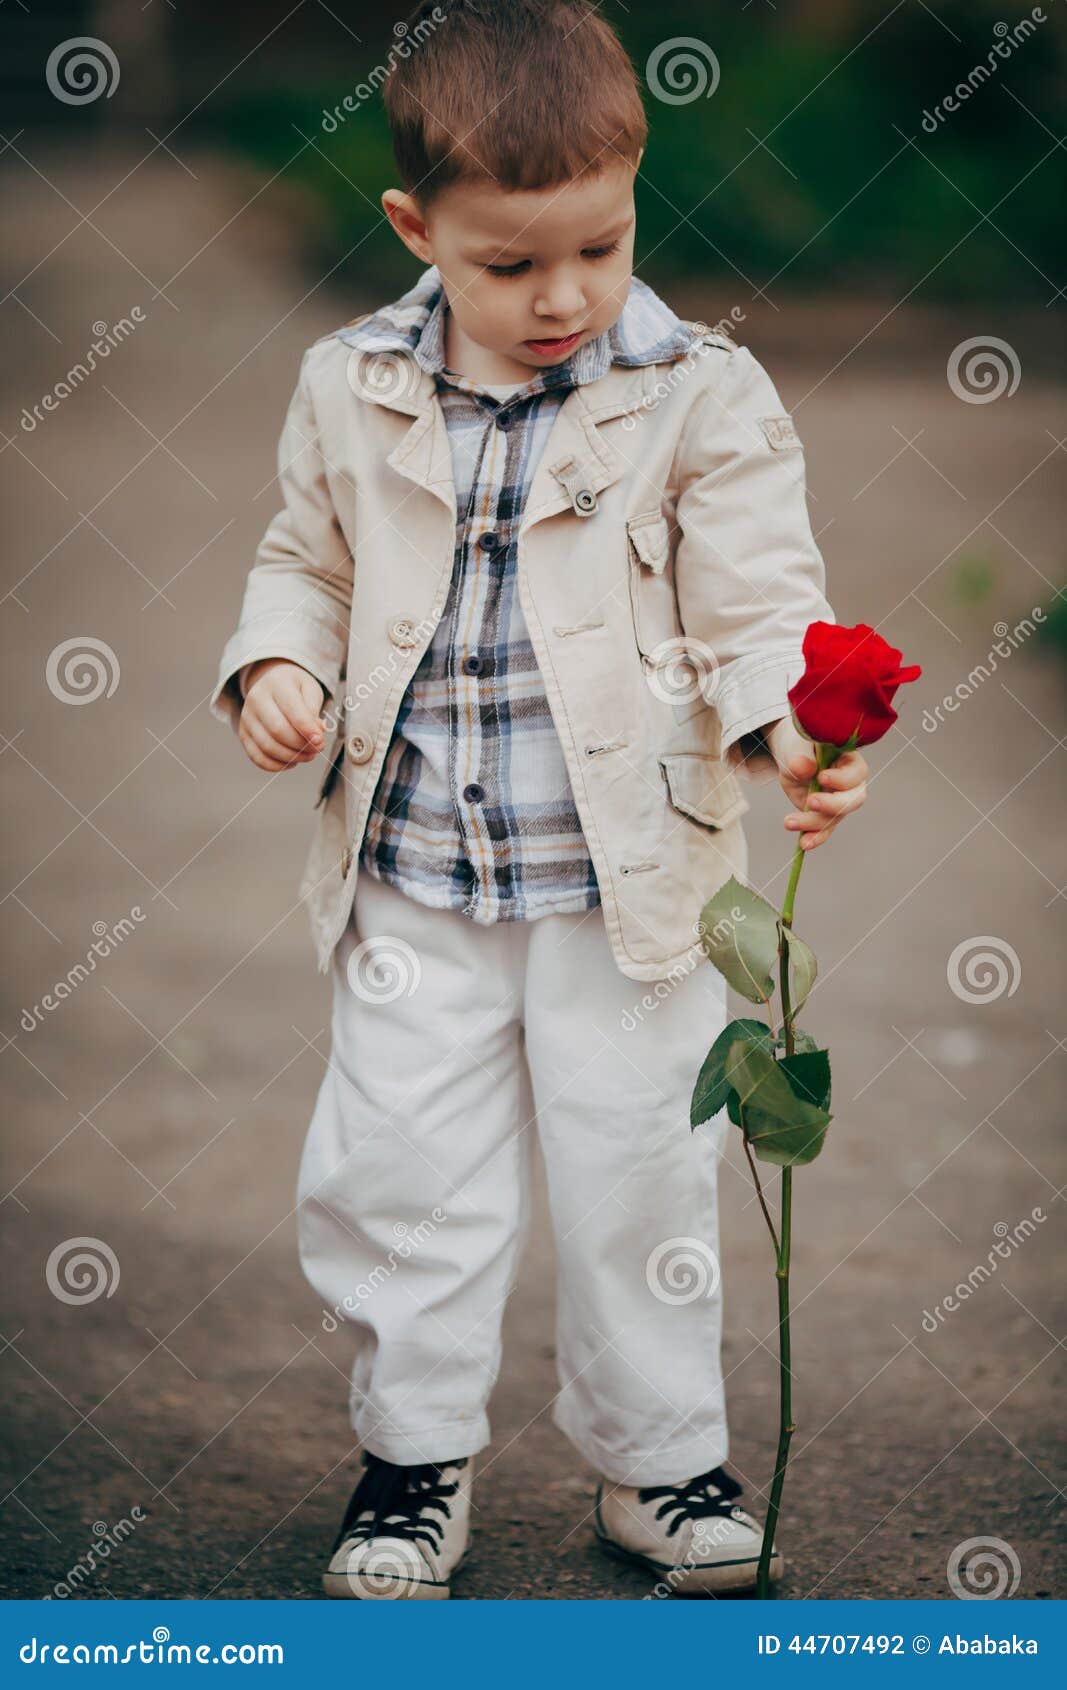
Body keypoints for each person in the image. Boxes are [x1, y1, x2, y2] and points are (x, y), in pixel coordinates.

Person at [210, 0, 868, 1600]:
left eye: (601, 246)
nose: (564, 295)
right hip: (417, 879)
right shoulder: (350, 381)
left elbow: (762, 599)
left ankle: (660, 1462)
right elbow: (304, 561)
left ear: (636, 193)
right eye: (508, 266)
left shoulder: (702, 394)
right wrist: (274, 668)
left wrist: (791, 720)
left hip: (624, 887)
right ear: (414, 227)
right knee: (398, 1177)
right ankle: (412, 1460)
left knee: (644, 1170)